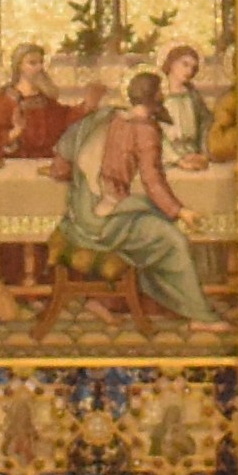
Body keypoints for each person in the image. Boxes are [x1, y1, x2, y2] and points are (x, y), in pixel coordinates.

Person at [53, 72, 207, 320]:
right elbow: (152, 179)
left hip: (81, 215)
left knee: (153, 218)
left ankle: (110, 301)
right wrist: (180, 211)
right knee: (172, 240)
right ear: (156, 97)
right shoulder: (144, 129)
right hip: (104, 220)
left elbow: (61, 163)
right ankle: (199, 317)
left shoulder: (105, 116)